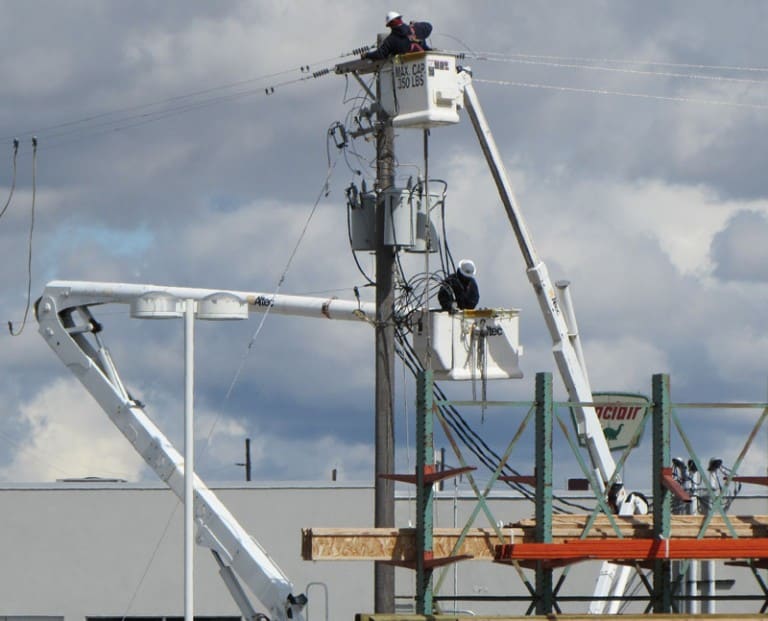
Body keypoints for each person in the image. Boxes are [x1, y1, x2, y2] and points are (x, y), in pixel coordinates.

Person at [364, 11, 432, 60]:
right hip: (426, 59)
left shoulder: (391, 40)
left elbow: (380, 54)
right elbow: (429, 26)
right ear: (400, 19)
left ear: (389, 25)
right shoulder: (415, 29)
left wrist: (367, 55)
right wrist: (416, 24)